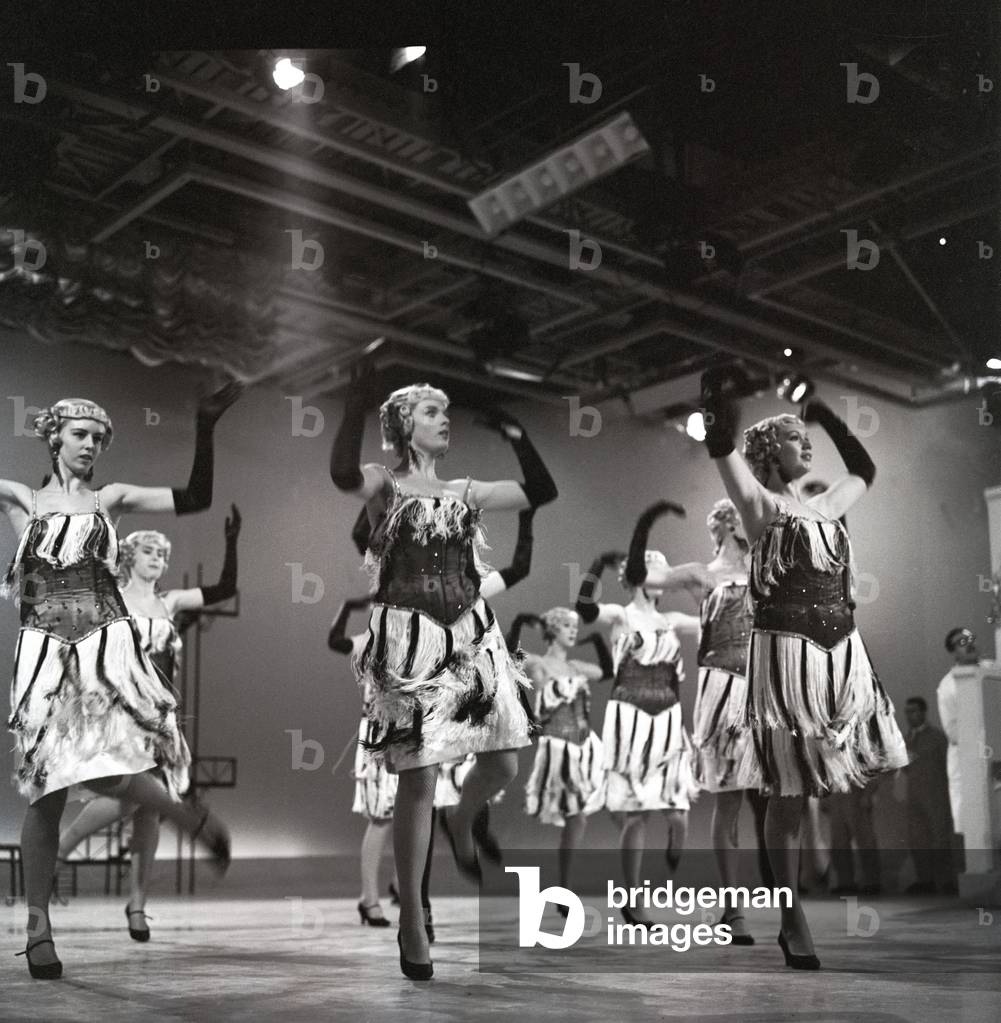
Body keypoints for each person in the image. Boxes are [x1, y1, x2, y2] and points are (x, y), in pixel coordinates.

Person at [1, 385, 240, 978]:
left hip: (105, 646)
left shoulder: (111, 499)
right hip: (44, 648)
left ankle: (183, 815)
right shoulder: (21, 499)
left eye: (100, 438)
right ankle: (38, 930)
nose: (91, 445)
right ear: (55, 436)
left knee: (112, 772)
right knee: (47, 787)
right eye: (81, 434)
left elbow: (196, 496)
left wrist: (205, 422)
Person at [330, 374, 556, 980]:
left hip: (471, 630)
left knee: (505, 761)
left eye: (446, 412)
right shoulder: (386, 482)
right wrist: (354, 403)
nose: (444, 420)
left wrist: (515, 431)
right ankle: (411, 921)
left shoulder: (467, 489)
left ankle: (463, 820)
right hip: (409, 633)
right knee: (420, 777)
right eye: (433, 412)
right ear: (405, 423)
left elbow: (541, 490)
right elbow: (342, 476)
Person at [700, 372, 908, 969]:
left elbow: (864, 471)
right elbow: (719, 448)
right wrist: (722, 404)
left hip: (840, 647)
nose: (806, 445)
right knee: (789, 791)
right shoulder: (759, 507)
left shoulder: (823, 506)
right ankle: (791, 917)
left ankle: (806, 892)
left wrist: (825, 416)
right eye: (795, 438)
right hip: (786, 651)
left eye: (806, 437)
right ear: (768, 452)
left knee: (822, 783)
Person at [332, 504, 536, 939]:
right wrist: (388, 499)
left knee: (428, 798)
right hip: (390, 725)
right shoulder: (382, 618)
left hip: (441, 716)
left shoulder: (467, 590)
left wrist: (527, 512)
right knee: (387, 814)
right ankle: (388, 903)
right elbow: (340, 637)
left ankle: (419, 897)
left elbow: (517, 567)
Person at [56, 509, 240, 940]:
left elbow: (225, 588)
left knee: (147, 811)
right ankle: (61, 851)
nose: (158, 557)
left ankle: (137, 905)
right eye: (149, 550)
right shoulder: (113, 598)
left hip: (160, 717)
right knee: (133, 795)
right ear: (129, 556)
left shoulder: (169, 601)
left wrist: (231, 541)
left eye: (162, 552)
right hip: (120, 712)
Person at [634, 498, 758, 943]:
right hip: (724, 687)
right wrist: (647, 522)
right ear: (725, 524)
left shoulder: (768, 573)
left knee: (781, 800)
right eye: (743, 511)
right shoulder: (701, 574)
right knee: (730, 801)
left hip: (765, 687)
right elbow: (640, 576)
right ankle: (733, 908)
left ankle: (789, 901)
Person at [574, 507, 700, 929]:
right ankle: (632, 898)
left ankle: (674, 845)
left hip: (667, 716)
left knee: (678, 811)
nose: (662, 578)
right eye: (654, 569)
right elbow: (584, 606)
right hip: (629, 714)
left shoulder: (673, 620)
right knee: (636, 814)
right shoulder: (619, 614)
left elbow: (717, 619)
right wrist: (595, 566)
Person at [509, 607, 612, 912]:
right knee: (576, 817)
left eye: (575, 626)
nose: (572, 631)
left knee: (583, 817)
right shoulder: (539, 664)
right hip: (558, 747)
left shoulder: (578, 667)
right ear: (552, 629)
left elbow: (607, 671)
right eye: (567, 626)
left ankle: (562, 889)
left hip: (586, 748)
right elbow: (507, 659)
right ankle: (563, 890)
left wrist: (596, 641)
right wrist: (517, 623)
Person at [901, 695, 955, 894]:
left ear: (923, 712)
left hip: (936, 795)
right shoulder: (907, 739)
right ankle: (925, 880)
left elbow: (949, 766)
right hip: (913, 796)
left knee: (940, 838)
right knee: (918, 840)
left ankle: (946, 881)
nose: (910, 716)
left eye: (914, 711)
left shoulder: (937, 737)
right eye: (907, 712)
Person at [937, 627, 988, 837]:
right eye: (962, 642)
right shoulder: (947, 686)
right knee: (974, 821)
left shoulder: (991, 670)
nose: (970, 644)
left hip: (993, 753)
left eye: (971, 638)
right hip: (969, 760)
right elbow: (953, 731)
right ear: (953, 652)